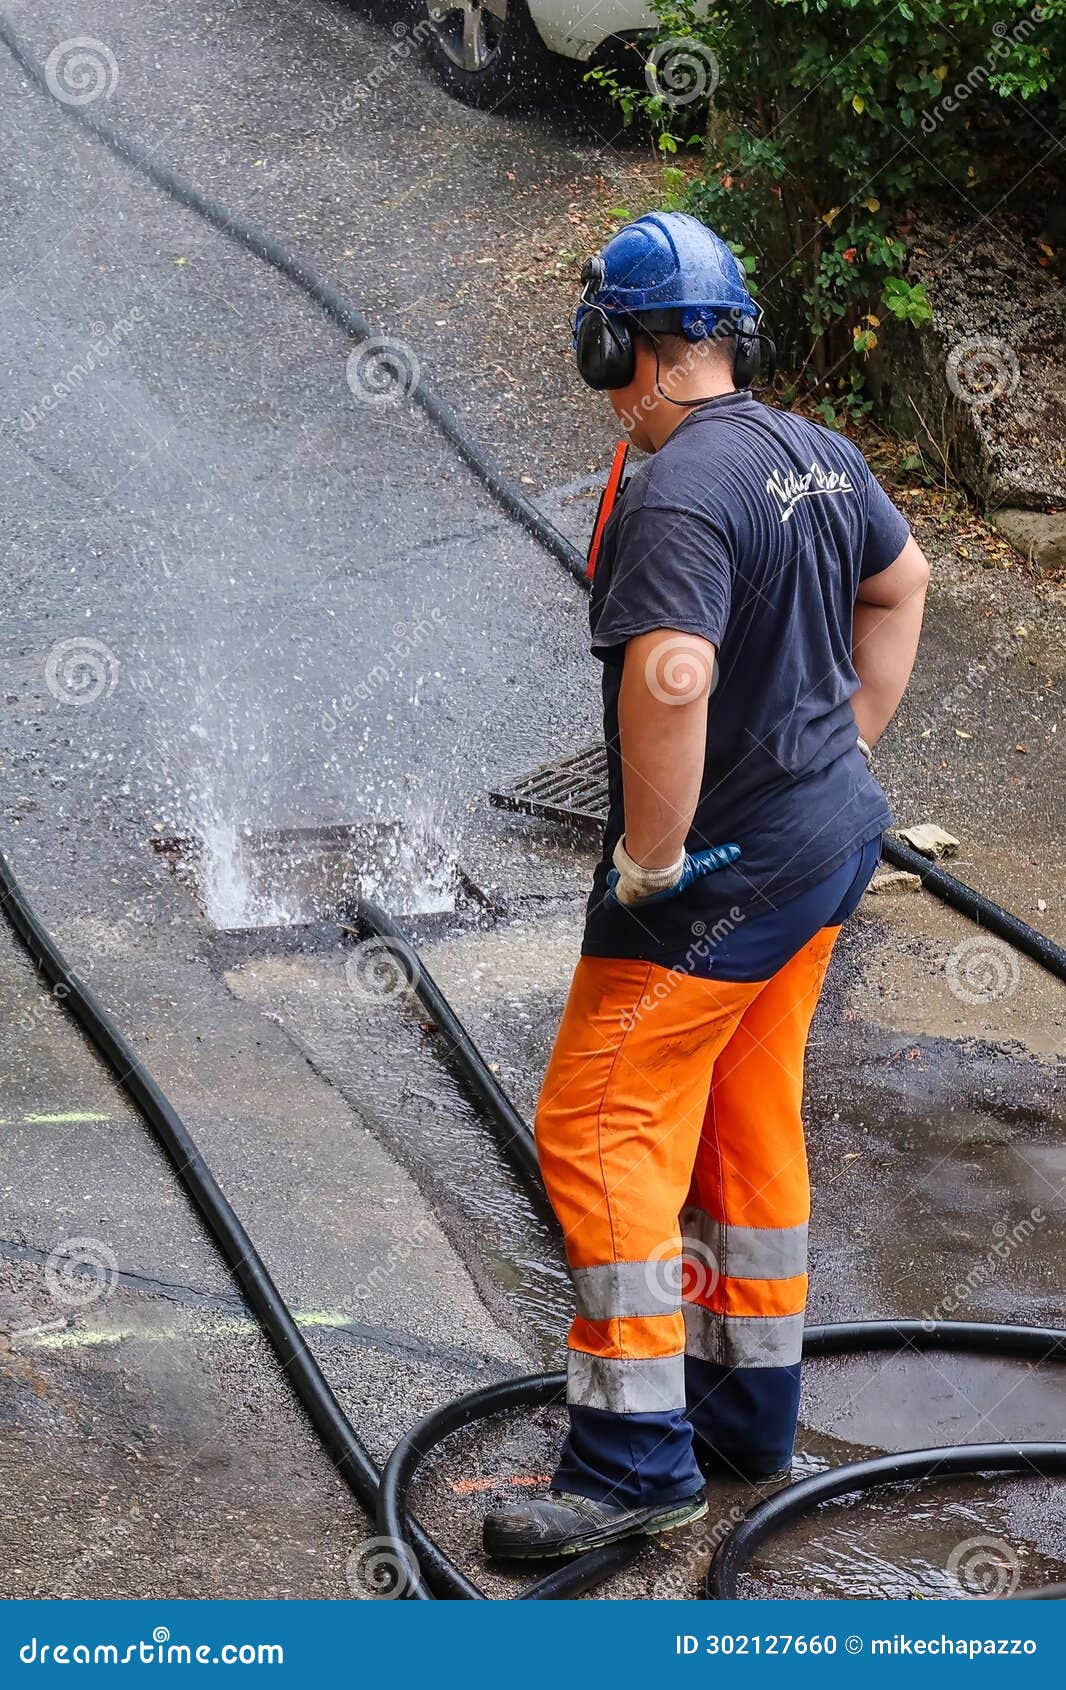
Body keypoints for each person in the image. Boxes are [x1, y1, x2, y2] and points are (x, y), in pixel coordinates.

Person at [483, 212, 929, 1561]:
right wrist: (844, 742)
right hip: (828, 846)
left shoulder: (676, 490)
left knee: (601, 1121)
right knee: (741, 1108)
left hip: (725, 881)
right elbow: (903, 585)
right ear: (734, 335)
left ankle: (629, 1459)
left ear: (611, 343)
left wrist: (653, 859)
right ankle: (744, 1408)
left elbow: (669, 675)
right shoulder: (816, 454)